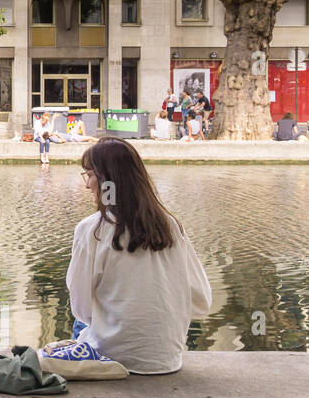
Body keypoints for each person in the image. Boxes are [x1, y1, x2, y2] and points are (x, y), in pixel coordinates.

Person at [68, 138, 212, 374]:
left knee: (79, 323)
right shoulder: (171, 225)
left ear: (106, 179)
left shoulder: (92, 229)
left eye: (89, 175)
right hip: (167, 360)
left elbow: (81, 307)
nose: (87, 185)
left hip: (113, 357)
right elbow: (202, 301)